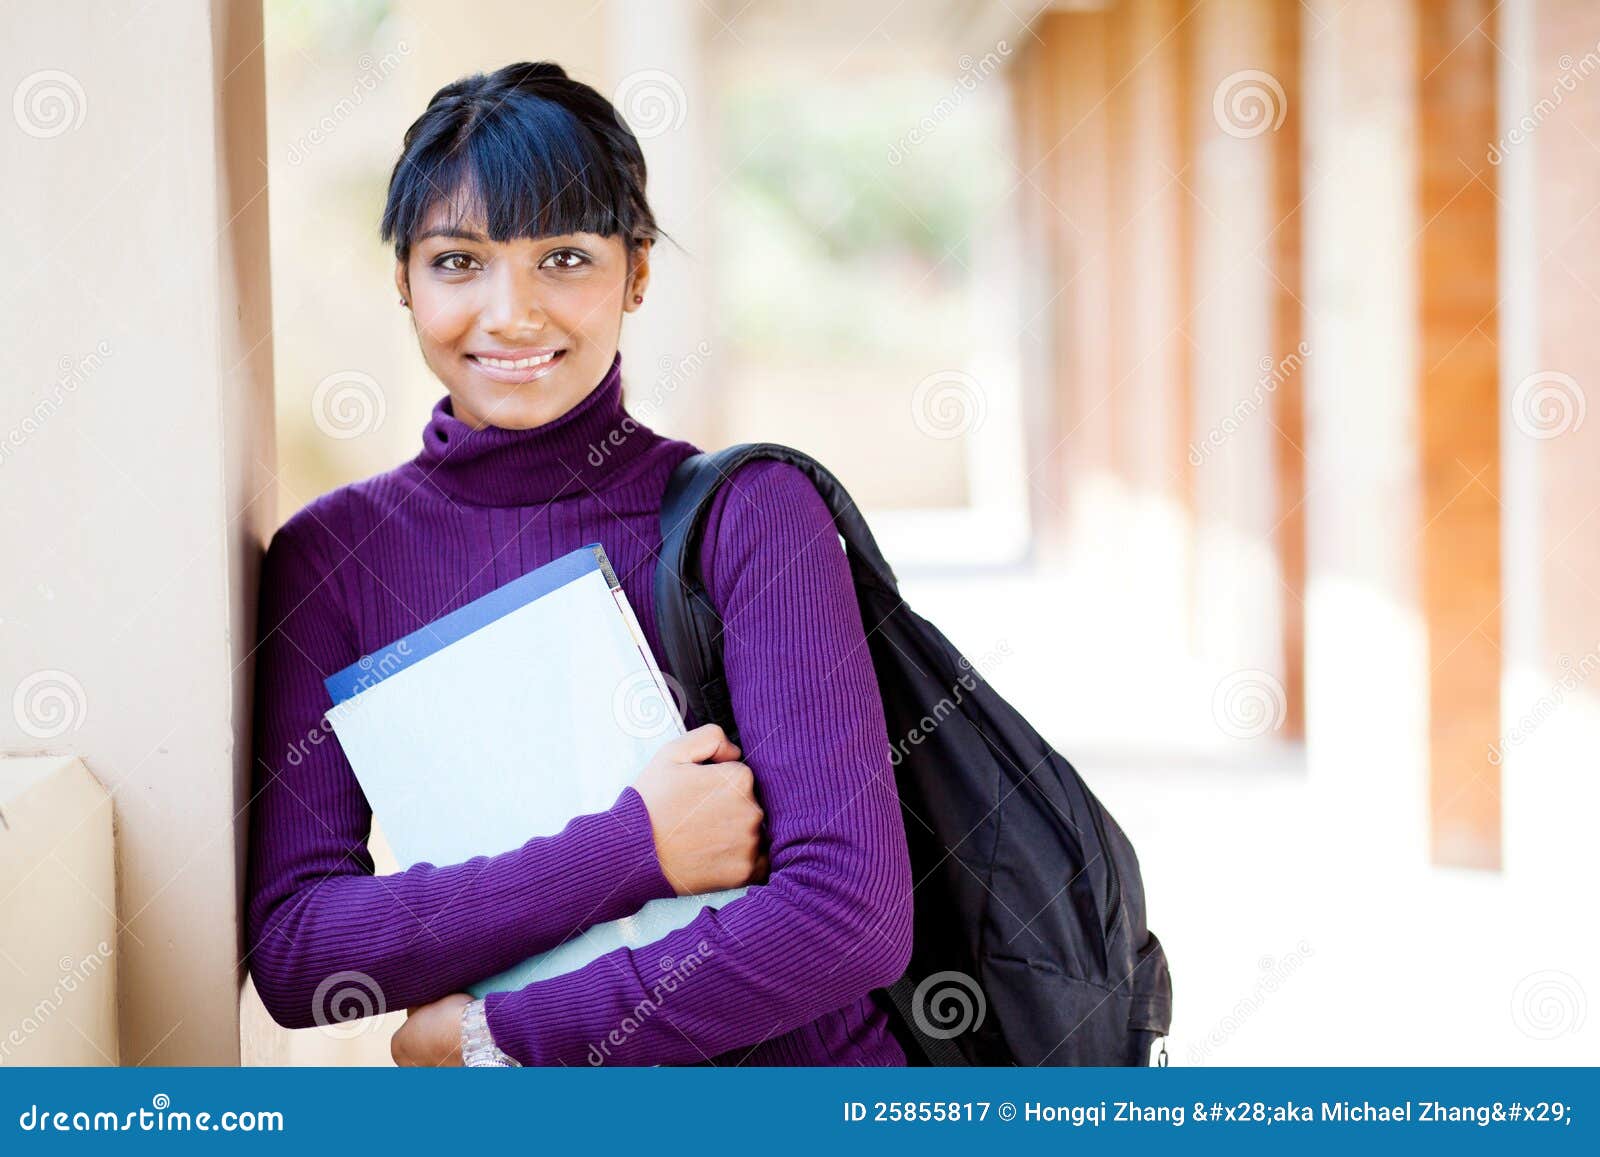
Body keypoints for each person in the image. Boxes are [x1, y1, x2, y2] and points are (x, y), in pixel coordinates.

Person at [245, 60, 913, 1067]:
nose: (511, 314)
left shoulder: (750, 515)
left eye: (563, 257)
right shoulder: (334, 558)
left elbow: (850, 917)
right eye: (458, 261)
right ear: (403, 280)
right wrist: (633, 847)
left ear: (637, 271)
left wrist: (498, 1035)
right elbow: (301, 951)